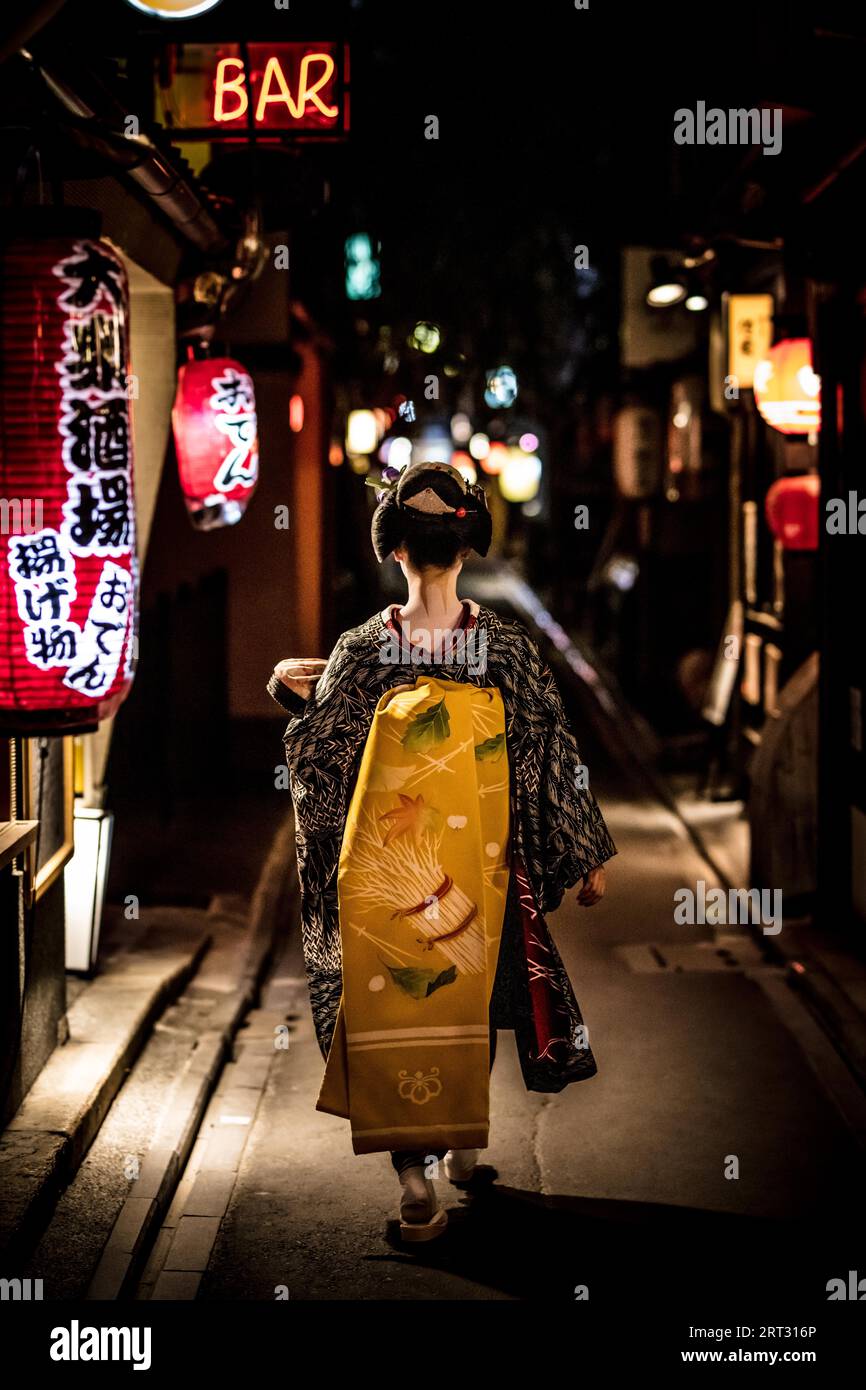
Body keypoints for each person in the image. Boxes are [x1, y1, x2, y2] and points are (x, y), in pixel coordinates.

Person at [268, 460, 616, 1241]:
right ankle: (460, 1141)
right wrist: (582, 848)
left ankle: (416, 1180)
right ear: (466, 551)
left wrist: (289, 700)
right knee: (474, 1003)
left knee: (398, 1011)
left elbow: (320, 767)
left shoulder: (361, 651)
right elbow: (550, 752)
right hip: (481, 870)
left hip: (387, 877)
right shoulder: (506, 650)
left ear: (393, 550)